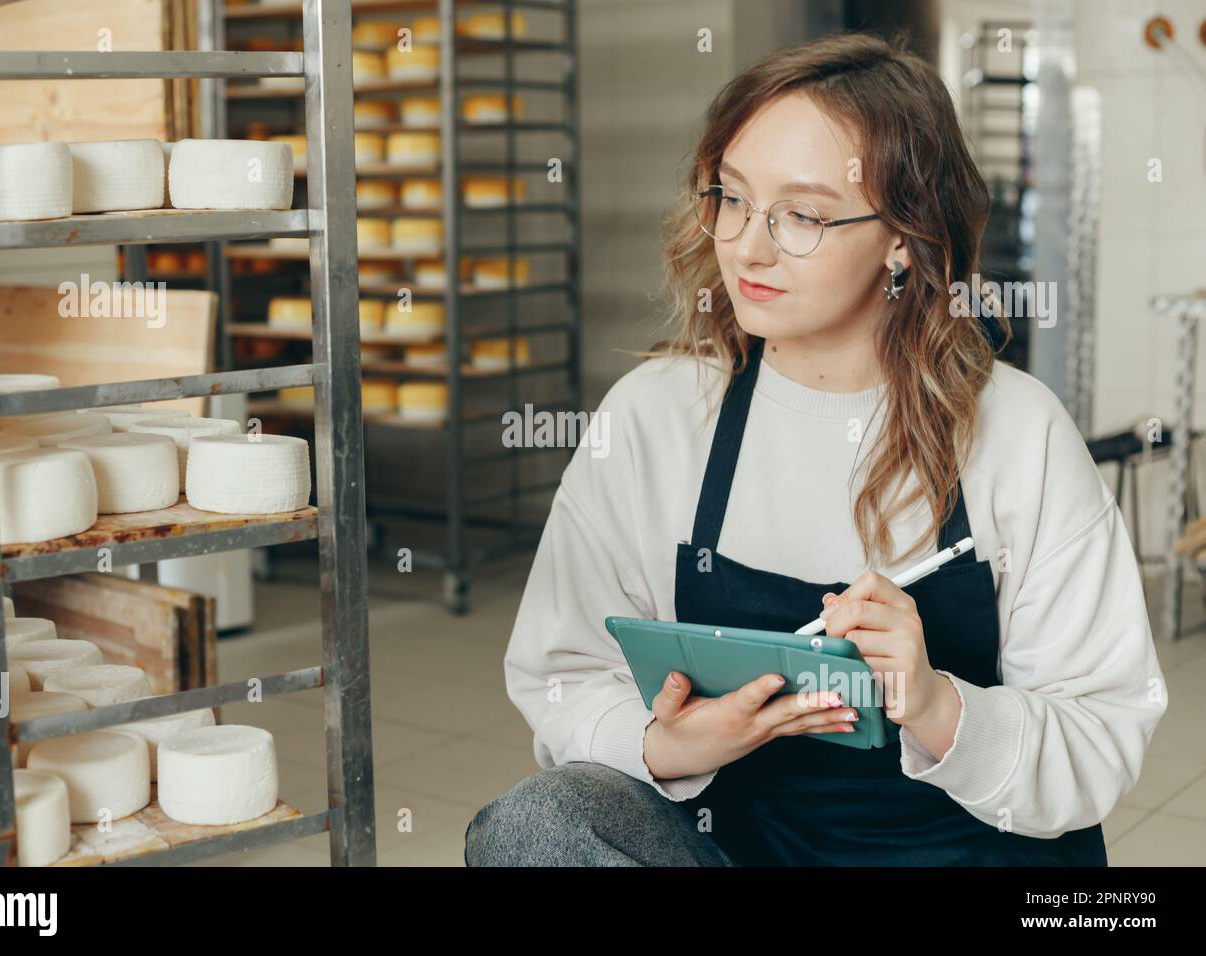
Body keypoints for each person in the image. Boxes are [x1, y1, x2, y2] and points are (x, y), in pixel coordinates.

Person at [464, 32, 1167, 866]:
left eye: (801, 214)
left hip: (972, 854)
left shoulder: (1020, 434)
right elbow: (562, 675)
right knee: (531, 826)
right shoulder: (654, 419)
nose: (748, 247)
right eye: (732, 198)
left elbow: (1102, 733)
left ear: (904, 237)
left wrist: (938, 705)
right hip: (740, 844)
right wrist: (666, 744)